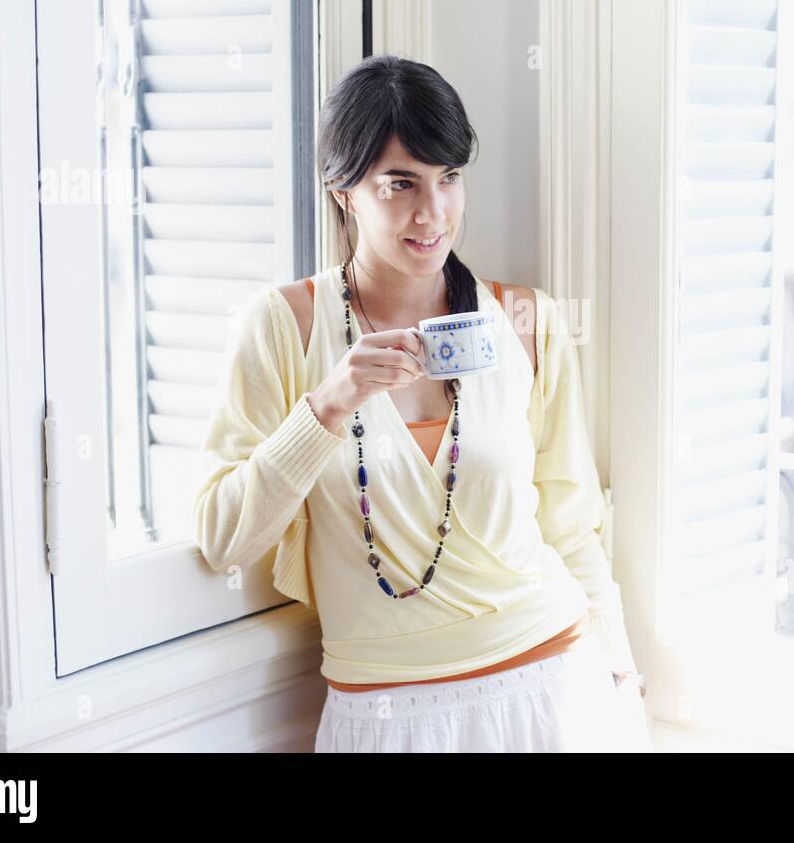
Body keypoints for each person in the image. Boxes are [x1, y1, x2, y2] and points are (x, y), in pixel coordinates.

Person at [194, 53, 651, 752]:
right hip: (382, 710)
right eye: (399, 184)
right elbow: (225, 538)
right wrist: (326, 407)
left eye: (449, 179)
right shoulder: (286, 326)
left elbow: (571, 524)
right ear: (344, 191)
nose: (431, 213)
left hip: (553, 682)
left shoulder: (526, 320)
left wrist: (621, 678)